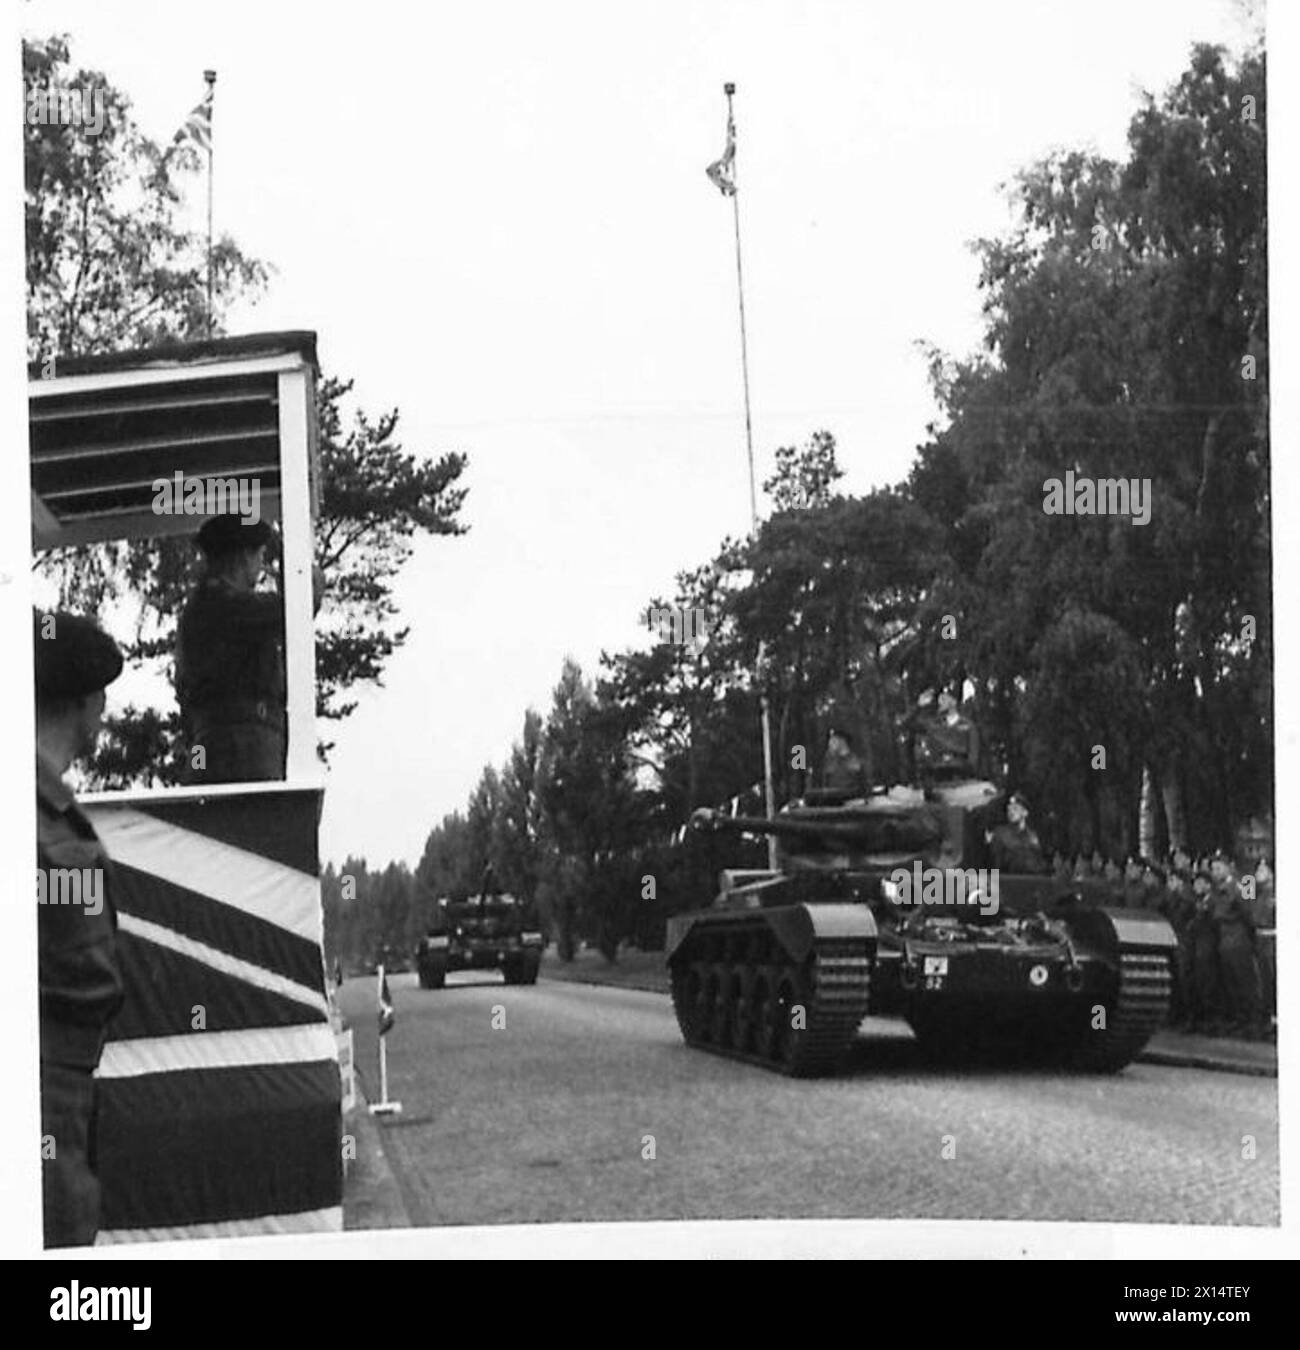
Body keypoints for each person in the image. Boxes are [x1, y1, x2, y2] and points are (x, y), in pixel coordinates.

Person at [34, 609, 126, 1247]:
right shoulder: (33, 813)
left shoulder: (48, 806)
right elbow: (81, 967)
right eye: (100, 696)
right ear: (81, 699)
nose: (104, 711)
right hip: (46, 1084)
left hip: (65, 1082)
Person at [175, 518, 324, 783]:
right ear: (245, 556)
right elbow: (293, 610)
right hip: (244, 742)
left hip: (205, 739)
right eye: (259, 556)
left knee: (203, 797)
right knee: (255, 814)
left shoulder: (200, 607)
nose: (261, 565)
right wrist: (306, 584)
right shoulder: (224, 604)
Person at [1209, 851, 1260, 1037]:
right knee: (1231, 983)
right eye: (1213, 868)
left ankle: (1253, 1021)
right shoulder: (1217, 888)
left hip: (1239, 937)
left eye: (1218, 867)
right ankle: (1239, 1018)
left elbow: (1249, 912)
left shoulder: (1245, 881)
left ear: (1229, 866)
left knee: (1244, 981)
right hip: (1224, 938)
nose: (1215, 872)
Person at [908, 688, 980, 781]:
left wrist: (968, 772)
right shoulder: (933, 724)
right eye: (939, 698)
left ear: (953, 702)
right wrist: (919, 706)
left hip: (960, 773)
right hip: (936, 772)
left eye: (944, 698)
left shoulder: (968, 725)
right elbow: (909, 724)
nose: (940, 702)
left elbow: (973, 753)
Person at [1187, 869, 1221, 1034]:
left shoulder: (1212, 901)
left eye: (1200, 883)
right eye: (1195, 883)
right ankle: (1197, 1019)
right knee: (1196, 984)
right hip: (1196, 946)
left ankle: (1211, 1021)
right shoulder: (1196, 902)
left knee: (1208, 985)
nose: (1196, 886)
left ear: (1208, 885)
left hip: (1208, 946)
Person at [986, 791, 1048, 874]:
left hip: (1032, 881)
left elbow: (1040, 863)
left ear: (1025, 812)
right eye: (1009, 809)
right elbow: (995, 864)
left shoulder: (1033, 836)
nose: (1011, 812)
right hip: (1009, 881)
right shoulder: (1000, 834)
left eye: (1015, 808)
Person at [822, 725, 869, 797]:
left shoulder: (857, 762)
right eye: (830, 741)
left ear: (842, 741)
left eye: (834, 740)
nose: (830, 744)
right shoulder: (829, 763)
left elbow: (865, 789)